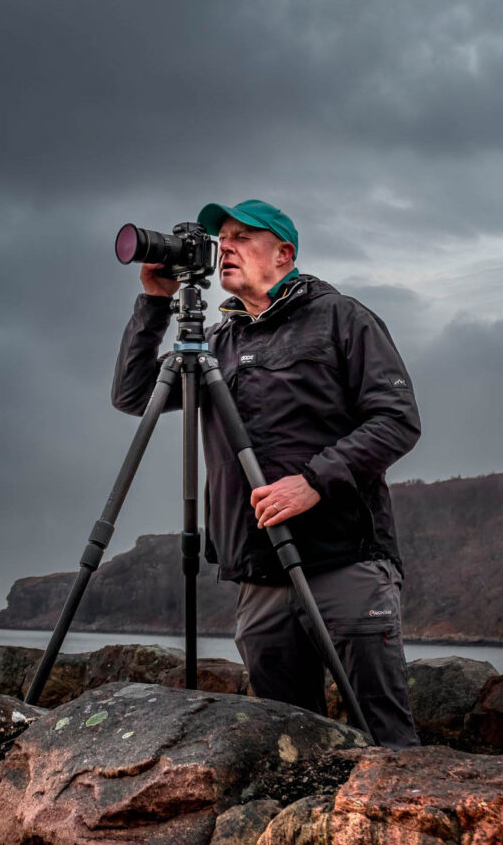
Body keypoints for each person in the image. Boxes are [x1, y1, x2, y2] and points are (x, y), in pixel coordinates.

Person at [111, 199, 421, 747]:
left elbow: (396, 420)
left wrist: (314, 481)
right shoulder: (217, 344)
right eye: (221, 237)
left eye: (241, 236)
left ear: (285, 253)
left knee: (384, 741)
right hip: (258, 577)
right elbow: (134, 396)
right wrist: (153, 304)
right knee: (288, 747)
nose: (224, 245)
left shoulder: (341, 318)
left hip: (344, 564)